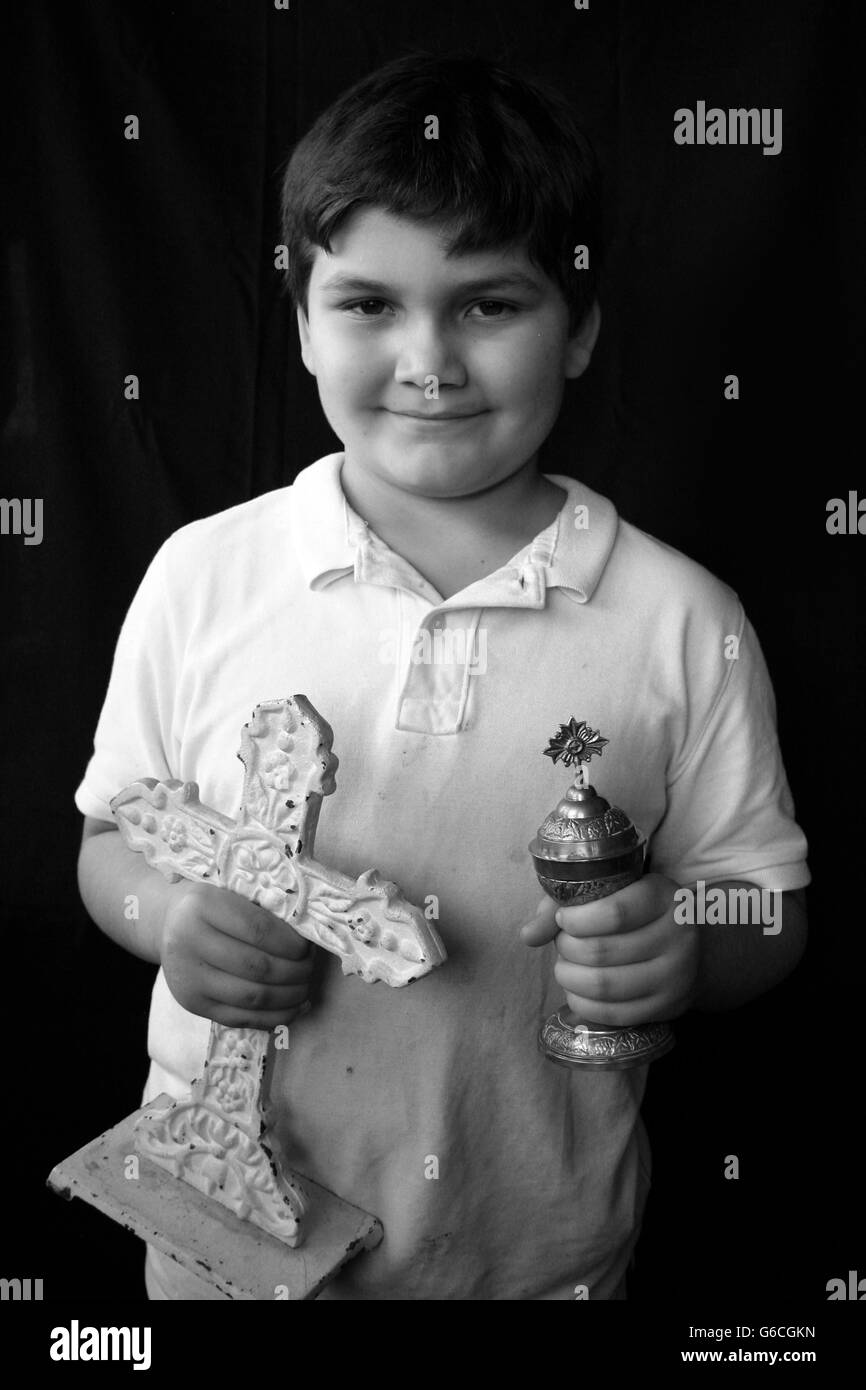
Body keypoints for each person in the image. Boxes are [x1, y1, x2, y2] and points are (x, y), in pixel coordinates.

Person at [75, 51, 809, 1301]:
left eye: (487, 305)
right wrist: (167, 921)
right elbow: (112, 837)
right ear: (301, 319)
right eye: (367, 304)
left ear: (575, 326)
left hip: (530, 1252)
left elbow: (764, 904)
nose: (428, 361)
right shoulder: (202, 575)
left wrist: (683, 944)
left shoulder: (681, 619)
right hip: (222, 1244)